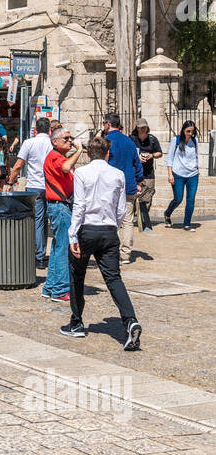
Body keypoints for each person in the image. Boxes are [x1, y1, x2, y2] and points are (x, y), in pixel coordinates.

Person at [63, 133, 142, 351]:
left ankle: (76, 322)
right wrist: (113, 227)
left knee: (77, 275)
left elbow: (79, 206)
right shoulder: (118, 174)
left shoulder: (81, 173)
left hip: (86, 230)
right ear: (107, 153)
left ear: (88, 154)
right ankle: (130, 320)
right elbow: (120, 208)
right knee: (114, 279)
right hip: (108, 231)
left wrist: (72, 235)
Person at [41, 127, 83, 303]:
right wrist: (79, 150)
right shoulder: (56, 157)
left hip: (59, 206)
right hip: (60, 207)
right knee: (63, 248)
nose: (69, 140)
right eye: (65, 138)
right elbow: (66, 167)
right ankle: (59, 290)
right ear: (55, 142)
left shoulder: (58, 156)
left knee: (58, 247)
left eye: (70, 138)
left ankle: (50, 286)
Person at [6, 116, 53, 265]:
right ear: (50, 131)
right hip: (51, 187)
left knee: (38, 221)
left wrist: (10, 182)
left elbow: (18, 165)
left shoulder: (29, 143)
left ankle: (39, 255)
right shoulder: (53, 143)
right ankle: (46, 251)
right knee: (49, 221)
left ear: (35, 130)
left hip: (34, 186)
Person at [103, 113, 143, 262]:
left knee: (109, 219)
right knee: (127, 221)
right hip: (129, 185)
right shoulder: (129, 142)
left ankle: (111, 251)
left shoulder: (106, 141)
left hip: (110, 186)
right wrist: (139, 181)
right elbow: (137, 164)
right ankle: (125, 253)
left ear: (107, 123)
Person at [164, 121, 200, 230]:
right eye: (188, 131)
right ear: (183, 130)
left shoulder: (195, 141)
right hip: (178, 174)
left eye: (192, 131)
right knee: (178, 198)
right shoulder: (176, 140)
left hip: (193, 175)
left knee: (191, 200)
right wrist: (170, 174)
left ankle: (187, 224)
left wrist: (197, 168)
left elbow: (195, 156)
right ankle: (167, 213)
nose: (190, 133)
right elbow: (170, 158)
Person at [130, 119, 162, 232]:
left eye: (144, 126)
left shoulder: (152, 139)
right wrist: (137, 157)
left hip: (148, 174)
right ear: (137, 127)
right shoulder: (132, 139)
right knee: (132, 197)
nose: (142, 128)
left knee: (147, 197)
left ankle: (143, 220)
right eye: (140, 127)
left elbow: (160, 153)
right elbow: (128, 152)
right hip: (134, 173)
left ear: (147, 127)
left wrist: (151, 155)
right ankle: (130, 220)